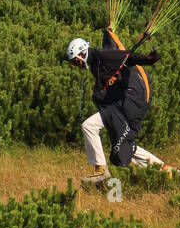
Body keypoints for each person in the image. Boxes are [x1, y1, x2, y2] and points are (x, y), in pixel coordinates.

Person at [67, 31, 173, 183]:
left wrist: (148, 59)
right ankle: (165, 170)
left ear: (82, 54)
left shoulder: (102, 56)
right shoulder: (95, 64)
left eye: (76, 61)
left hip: (127, 104)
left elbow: (128, 57)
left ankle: (101, 170)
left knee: (89, 126)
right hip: (120, 106)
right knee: (123, 145)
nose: (76, 66)